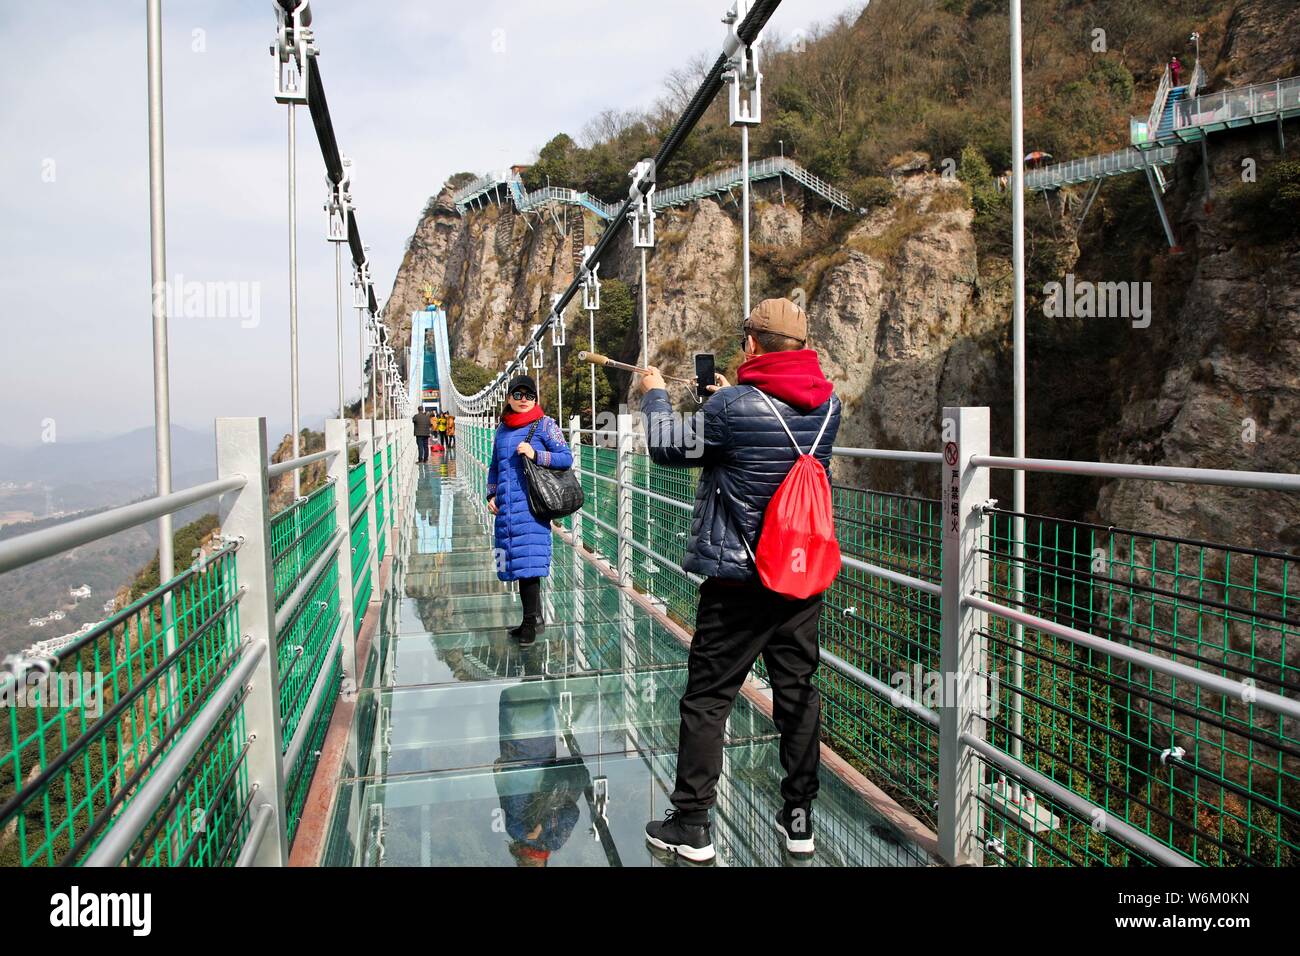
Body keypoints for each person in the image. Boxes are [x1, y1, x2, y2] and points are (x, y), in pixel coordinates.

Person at [638, 297, 840, 863]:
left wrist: (655, 393)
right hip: (799, 578)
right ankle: (799, 819)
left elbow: (666, 447)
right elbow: (766, 435)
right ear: (802, 346)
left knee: (708, 698)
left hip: (739, 580)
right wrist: (725, 401)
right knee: (797, 697)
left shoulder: (732, 406)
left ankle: (693, 824)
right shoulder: (830, 404)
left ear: (753, 344)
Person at [486, 374, 573, 645]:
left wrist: (537, 455)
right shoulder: (502, 430)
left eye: (530, 395)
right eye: (518, 394)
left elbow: (566, 458)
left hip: (532, 506)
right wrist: (491, 493)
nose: (524, 400)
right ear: (509, 398)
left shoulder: (545, 425)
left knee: (528, 565)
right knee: (511, 561)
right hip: (506, 508)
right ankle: (534, 618)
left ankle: (528, 625)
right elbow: (495, 466)